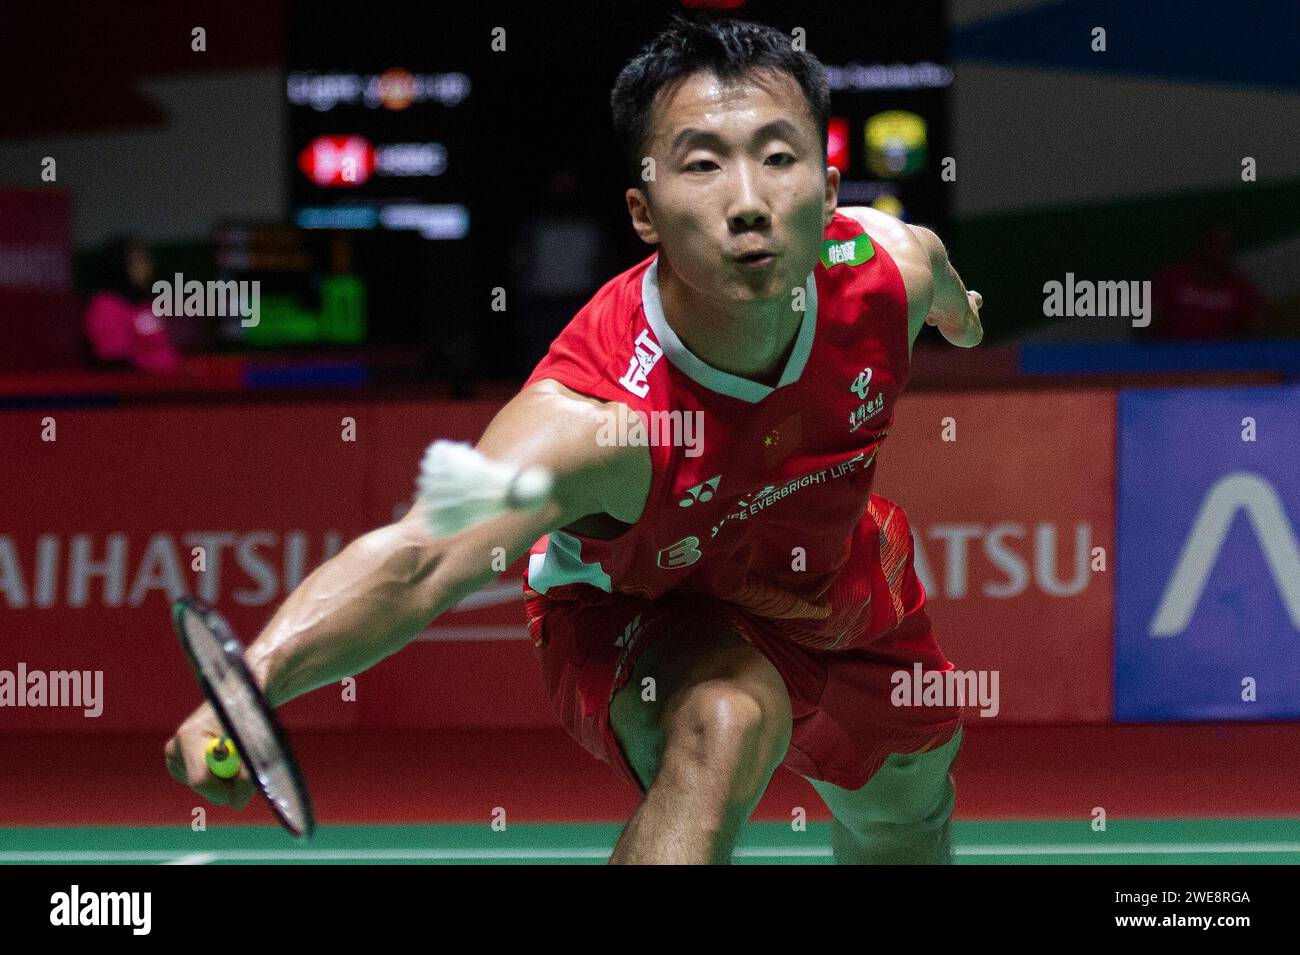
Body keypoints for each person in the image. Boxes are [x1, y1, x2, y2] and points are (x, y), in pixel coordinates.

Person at [165, 15, 983, 864]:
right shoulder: (596, 419)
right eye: (702, 165)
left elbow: (949, 292)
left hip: (832, 580)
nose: (749, 202)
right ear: (644, 211)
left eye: (779, 158)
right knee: (727, 717)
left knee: (908, 813)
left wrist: (964, 318)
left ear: (830, 185)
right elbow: (419, 560)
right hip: (640, 610)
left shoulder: (897, 271)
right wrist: (250, 680)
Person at [1149, 217, 1264, 340]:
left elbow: (1257, 330)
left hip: (1221, 357)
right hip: (1173, 355)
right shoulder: (1170, 278)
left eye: (1226, 248)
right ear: (1202, 245)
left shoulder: (1243, 288)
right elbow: (1144, 323)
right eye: (1214, 246)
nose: (1219, 254)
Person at [83, 236, 180, 373]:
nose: (147, 266)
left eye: (146, 260)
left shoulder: (144, 303)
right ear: (119, 266)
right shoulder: (105, 307)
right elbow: (116, 363)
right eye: (138, 262)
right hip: (137, 391)